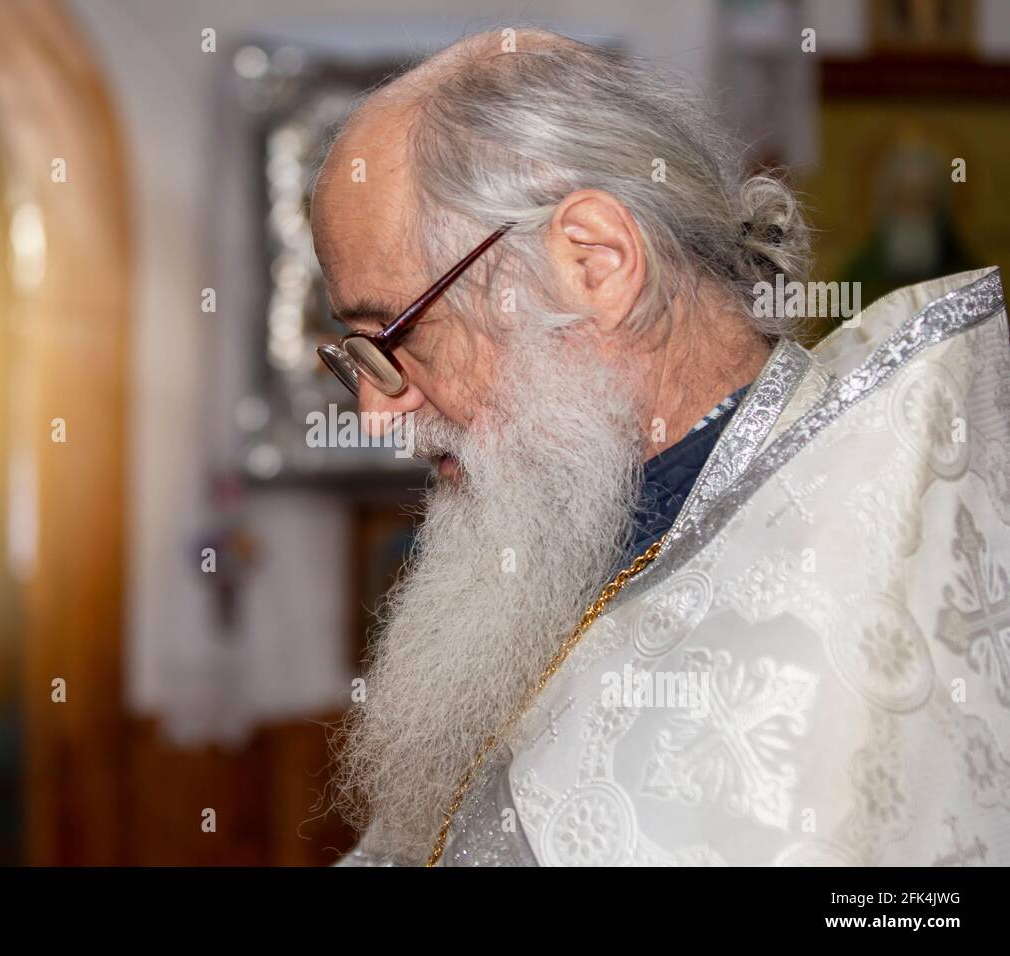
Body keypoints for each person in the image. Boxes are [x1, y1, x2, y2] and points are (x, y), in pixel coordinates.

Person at [309, 28, 1010, 866]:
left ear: (595, 264)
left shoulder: (876, 551)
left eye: (390, 339)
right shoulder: (551, 537)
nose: (380, 416)